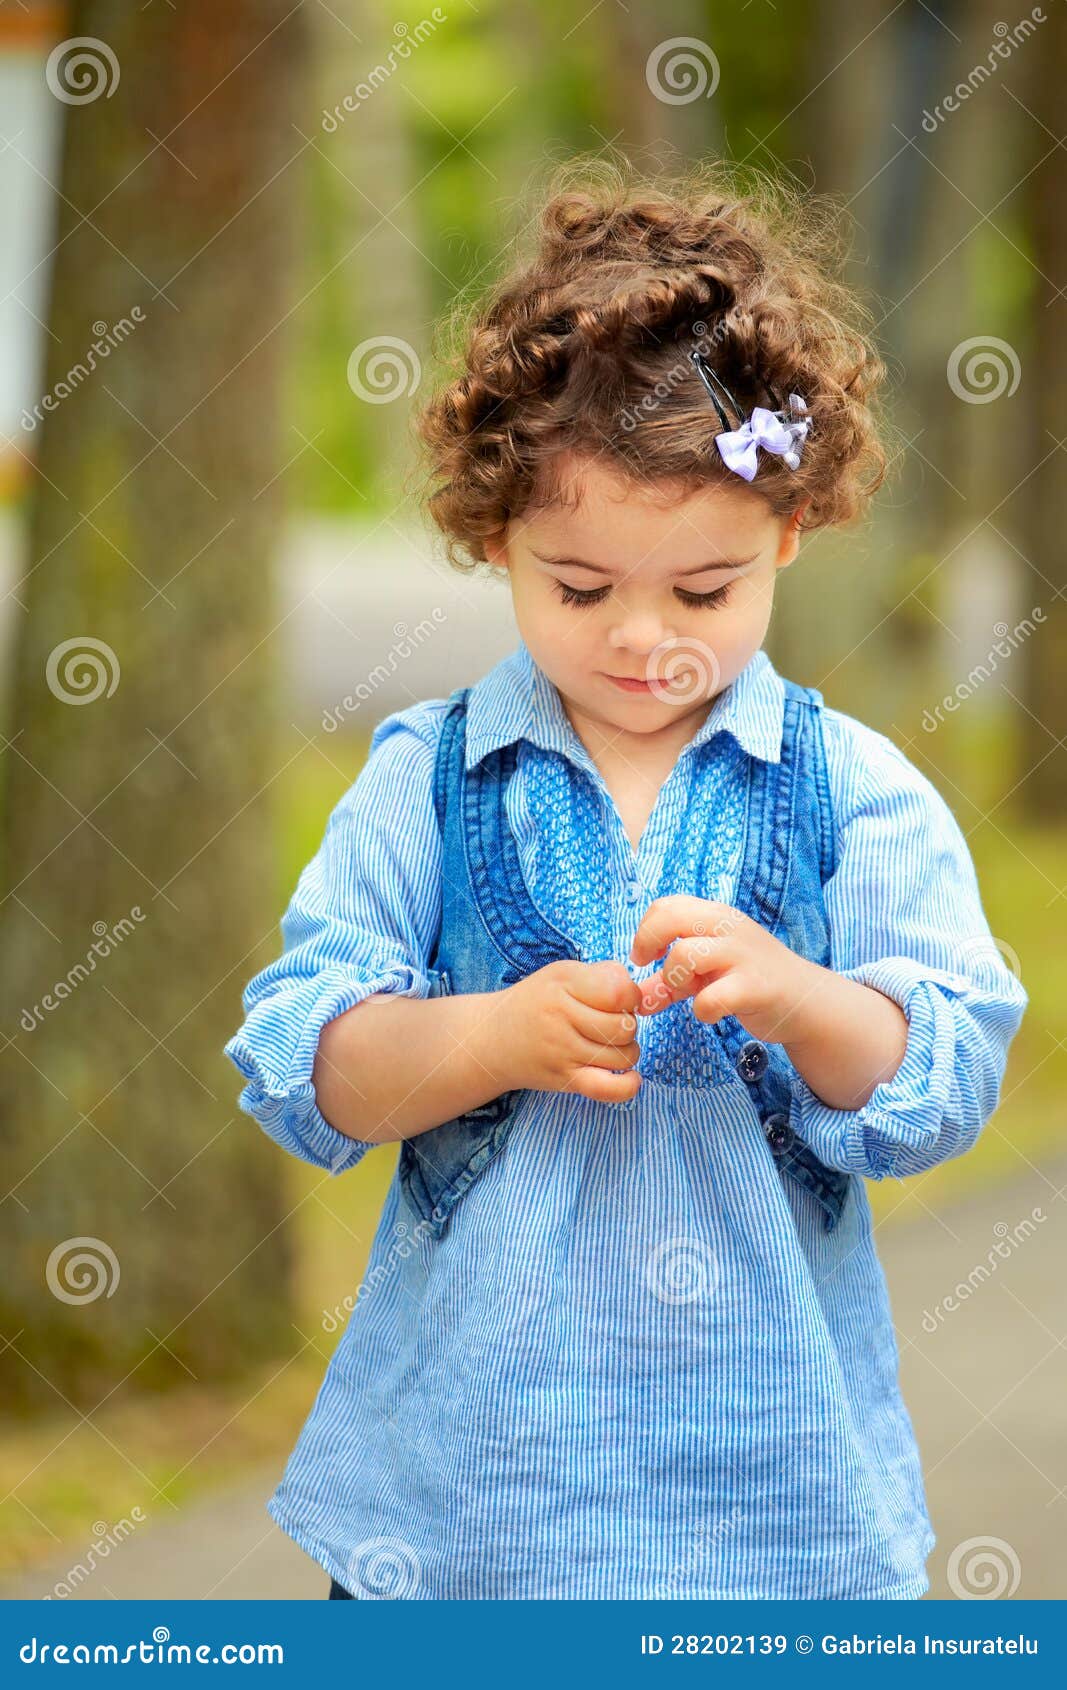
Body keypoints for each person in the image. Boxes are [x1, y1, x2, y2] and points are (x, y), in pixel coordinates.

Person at [223, 159, 1028, 1601]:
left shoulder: (853, 792)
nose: (643, 636)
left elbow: (949, 1066)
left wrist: (802, 998)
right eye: (580, 588)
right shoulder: (431, 778)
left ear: (789, 531)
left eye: (704, 591)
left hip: (773, 1518)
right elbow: (307, 1064)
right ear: (494, 539)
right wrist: (491, 1033)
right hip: (473, 1517)